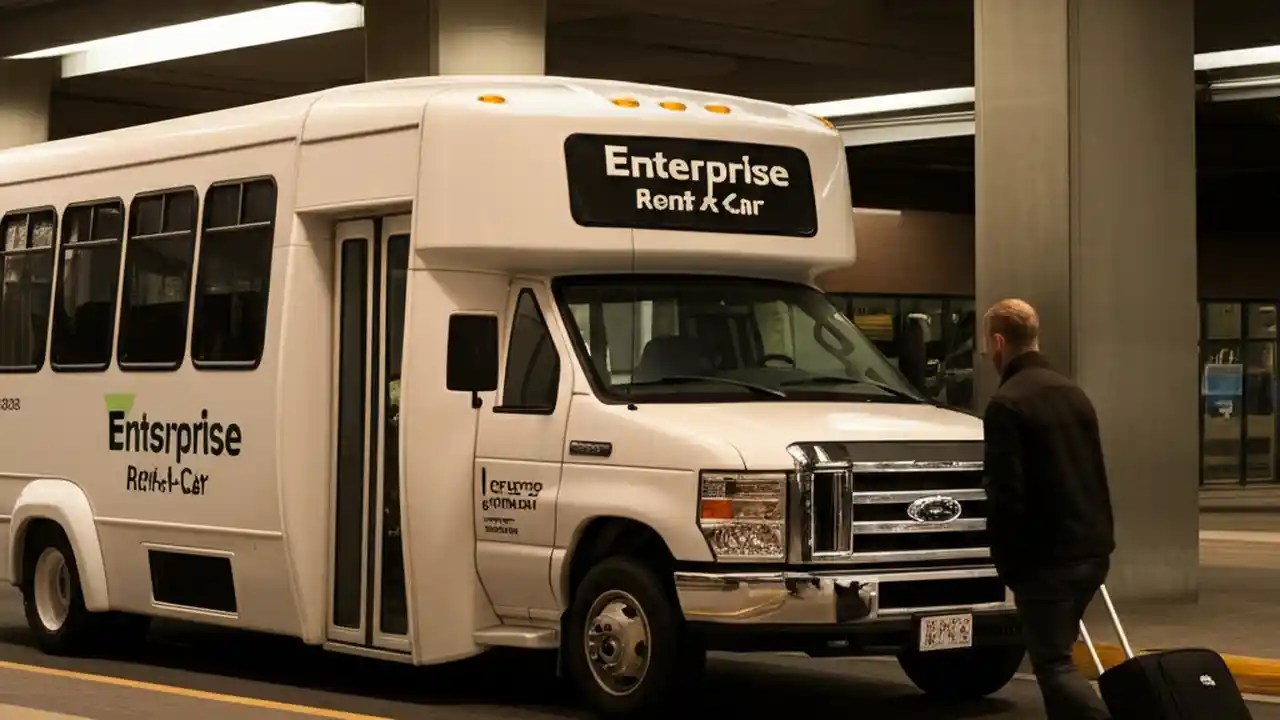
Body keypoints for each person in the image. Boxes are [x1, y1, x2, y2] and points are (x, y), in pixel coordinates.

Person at [980, 298, 1116, 720]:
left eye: (987, 346)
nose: (987, 355)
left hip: (1047, 560)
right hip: (1092, 553)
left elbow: (1007, 495)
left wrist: (1008, 563)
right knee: (1060, 653)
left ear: (999, 341)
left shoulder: (1007, 403)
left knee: (1054, 664)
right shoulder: (1073, 394)